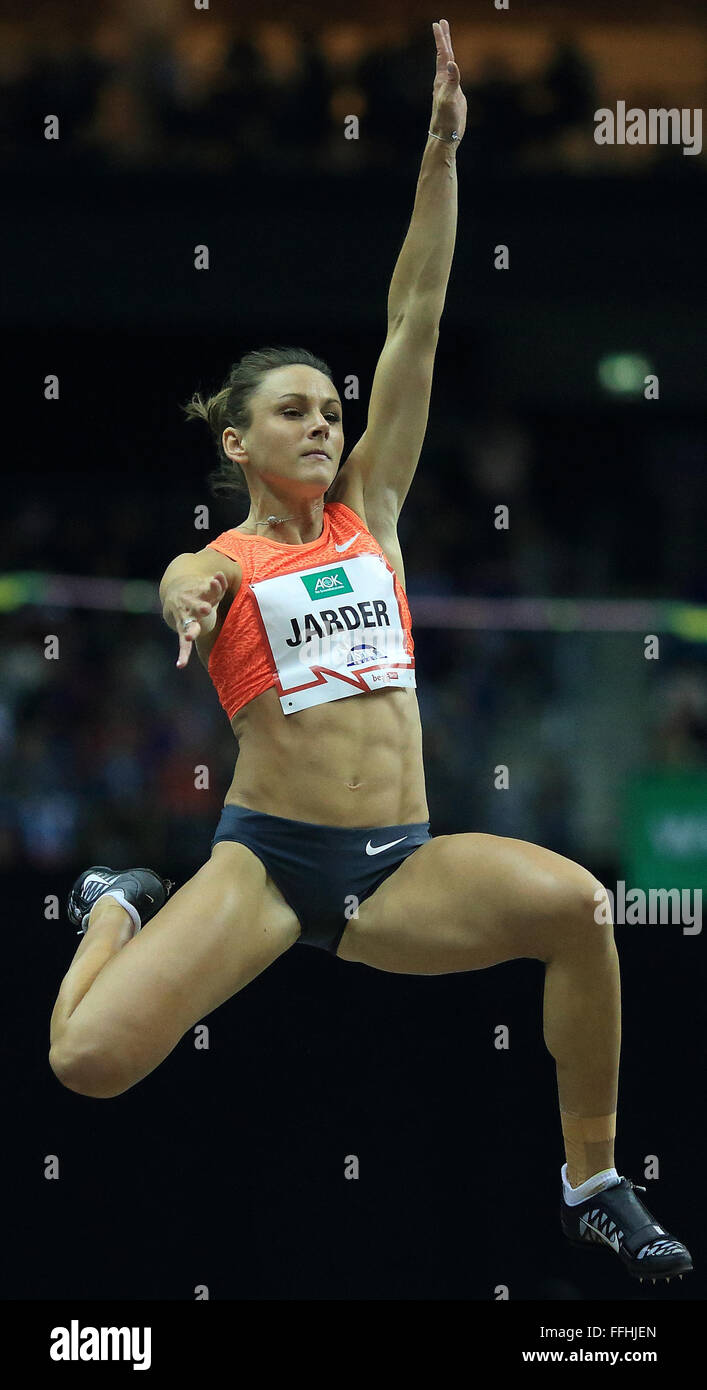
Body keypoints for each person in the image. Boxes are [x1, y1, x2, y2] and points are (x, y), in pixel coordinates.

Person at [48, 20, 691, 1287]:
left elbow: (416, 315)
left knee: (580, 907)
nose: (321, 420)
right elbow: (191, 573)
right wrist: (184, 598)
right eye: (291, 410)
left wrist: (442, 155)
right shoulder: (229, 557)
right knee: (88, 1064)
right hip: (270, 864)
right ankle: (119, 900)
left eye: (328, 407)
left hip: (396, 864)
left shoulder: (369, 513)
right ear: (236, 443)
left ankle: (593, 1179)